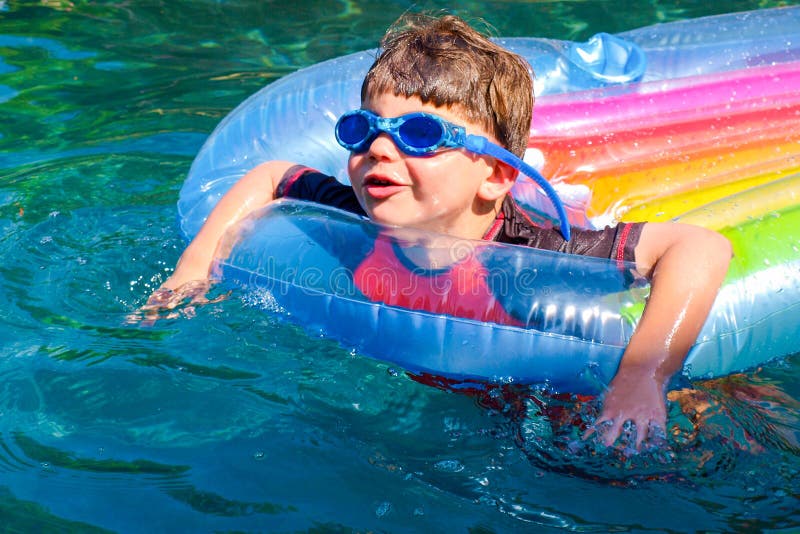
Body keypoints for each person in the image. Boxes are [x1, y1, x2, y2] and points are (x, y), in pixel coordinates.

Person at [142, 14, 732, 449]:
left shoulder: (530, 253)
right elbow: (272, 176)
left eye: (418, 136)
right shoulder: (353, 212)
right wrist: (194, 268)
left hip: (549, 376)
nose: (377, 148)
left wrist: (643, 376)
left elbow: (700, 245)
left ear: (495, 175)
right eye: (362, 128)